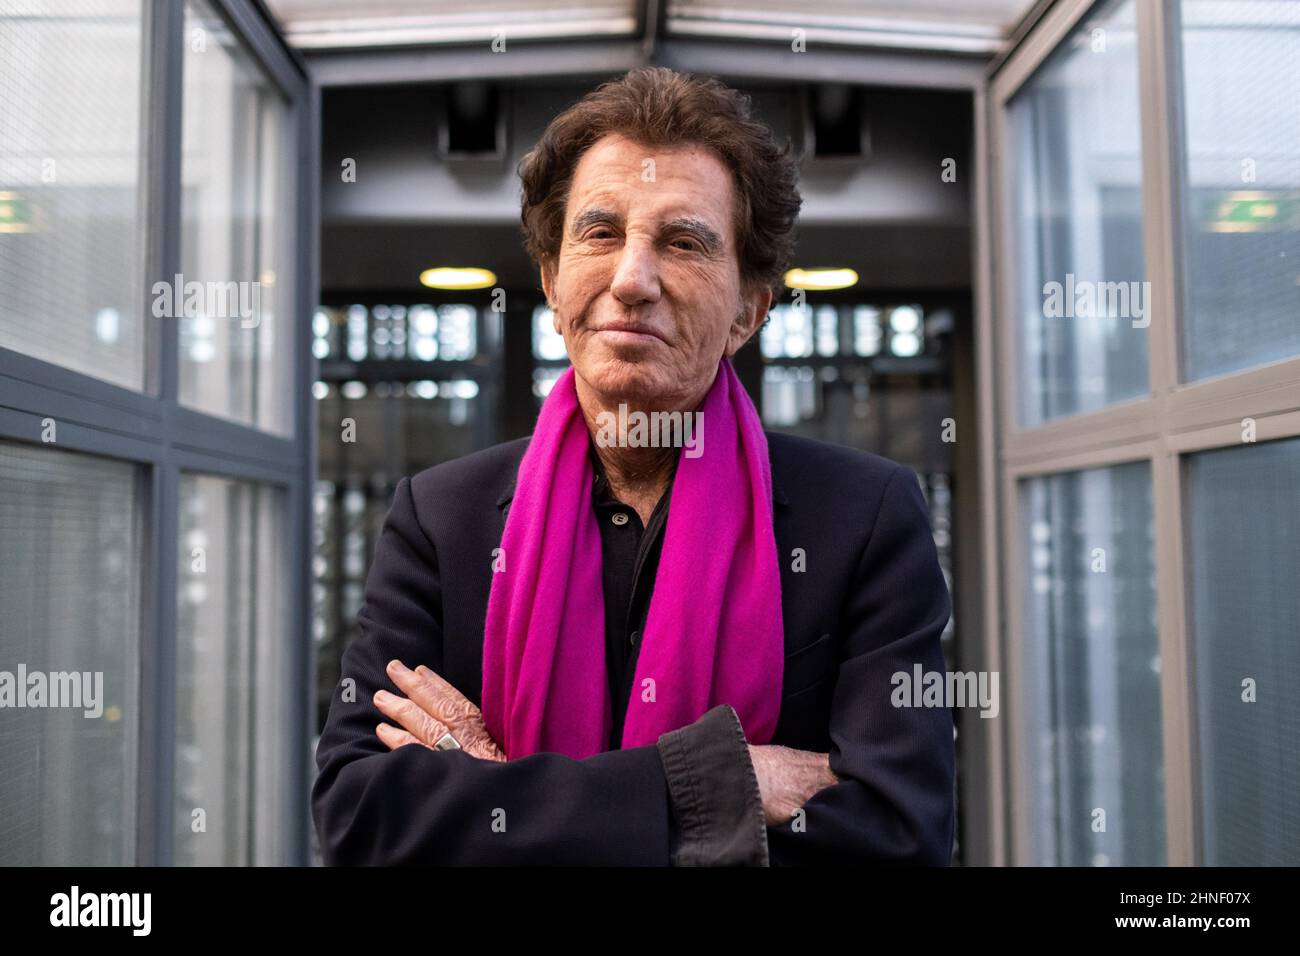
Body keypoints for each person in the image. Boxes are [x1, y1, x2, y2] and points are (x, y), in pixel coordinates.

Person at [312, 66, 954, 866]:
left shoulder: (862, 517)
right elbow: (359, 817)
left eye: (683, 242)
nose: (631, 279)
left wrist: (507, 795)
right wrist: (713, 785)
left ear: (748, 311)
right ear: (551, 283)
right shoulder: (442, 518)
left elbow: (898, 838)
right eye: (600, 233)